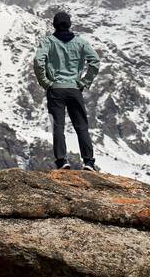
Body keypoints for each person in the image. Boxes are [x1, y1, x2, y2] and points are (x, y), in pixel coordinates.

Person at [33, 11, 101, 171]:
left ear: (54, 25)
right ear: (70, 24)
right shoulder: (80, 42)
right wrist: (85, 82)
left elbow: (38, 61)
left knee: (58, 126)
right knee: (81, 126)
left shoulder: (48, 42)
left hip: (55, 89)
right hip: (74, 89)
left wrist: (45, 82)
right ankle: (89, 162)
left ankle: (62, 161)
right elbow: (95, 61)